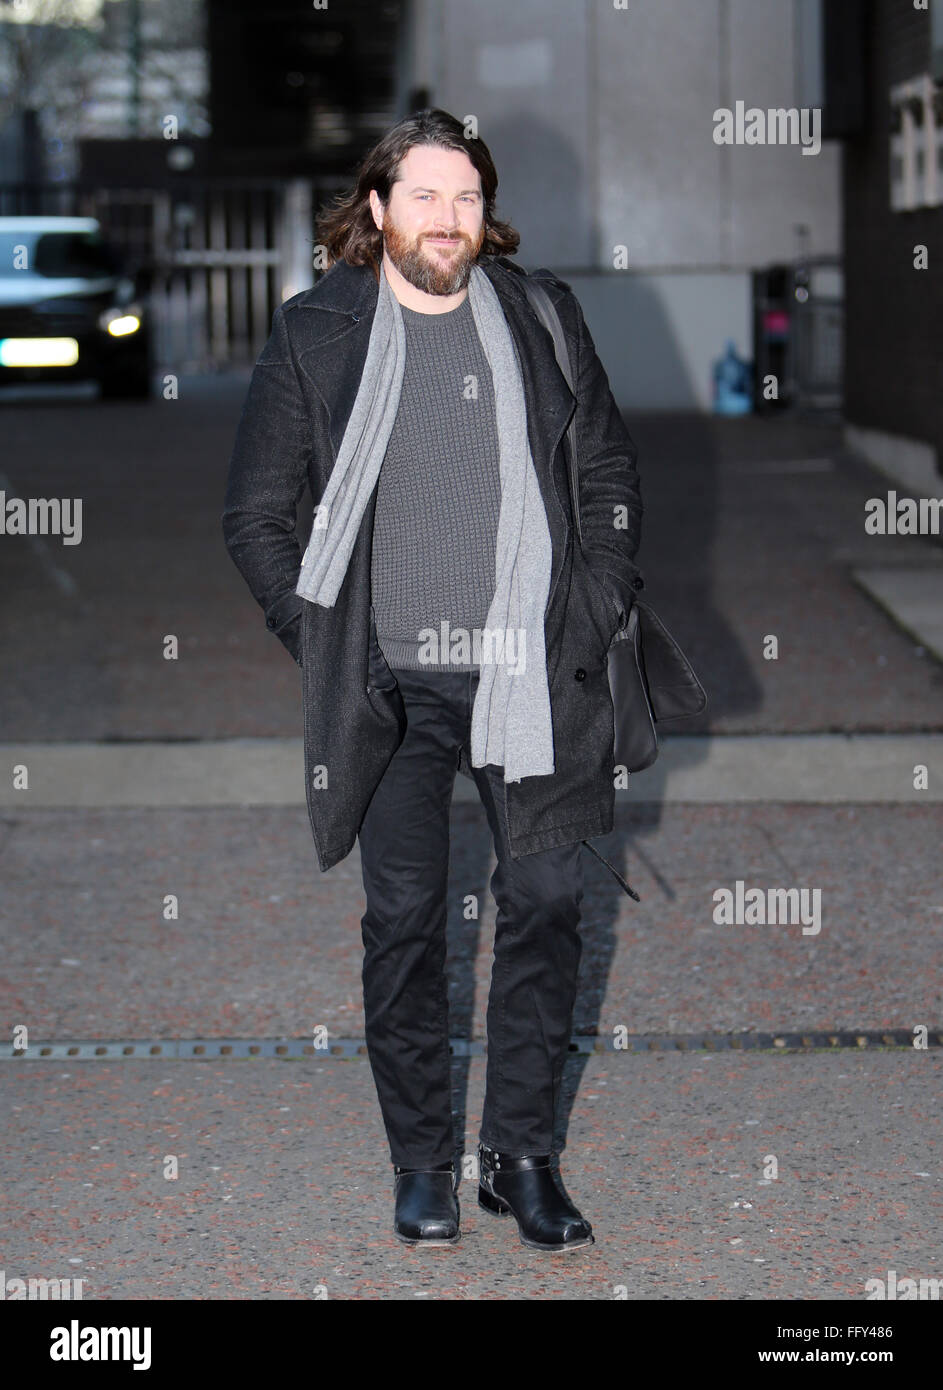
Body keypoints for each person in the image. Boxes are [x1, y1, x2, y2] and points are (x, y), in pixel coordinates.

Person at [222, 108, 643, 1253]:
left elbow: (603, 469)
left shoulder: (542, 315)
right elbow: (256, 517)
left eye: (465, 198)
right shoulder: (318, 333)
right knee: (405, 922)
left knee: (551, 904)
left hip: (530, 672)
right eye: (424, 198)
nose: (447, 221)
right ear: (378, 210)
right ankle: (421, 1163)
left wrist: (594, 599)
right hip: (389, 687)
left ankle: (518, 1157)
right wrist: (324, 644)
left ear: (484, 211)